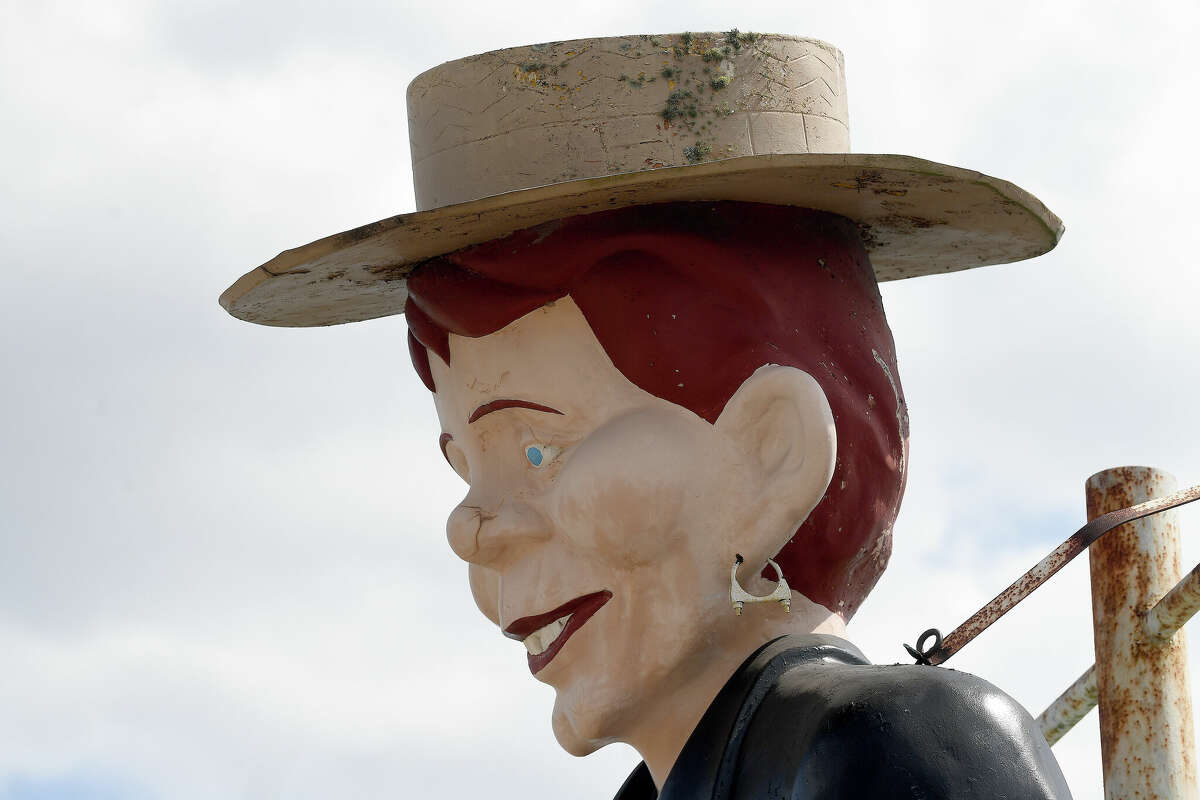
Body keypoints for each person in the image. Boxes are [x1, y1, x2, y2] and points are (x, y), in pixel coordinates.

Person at [221, 32, 1072, 798]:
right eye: (463, 467)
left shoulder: (893, 751)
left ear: (773, 455)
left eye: (535, 450)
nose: (470, 528)